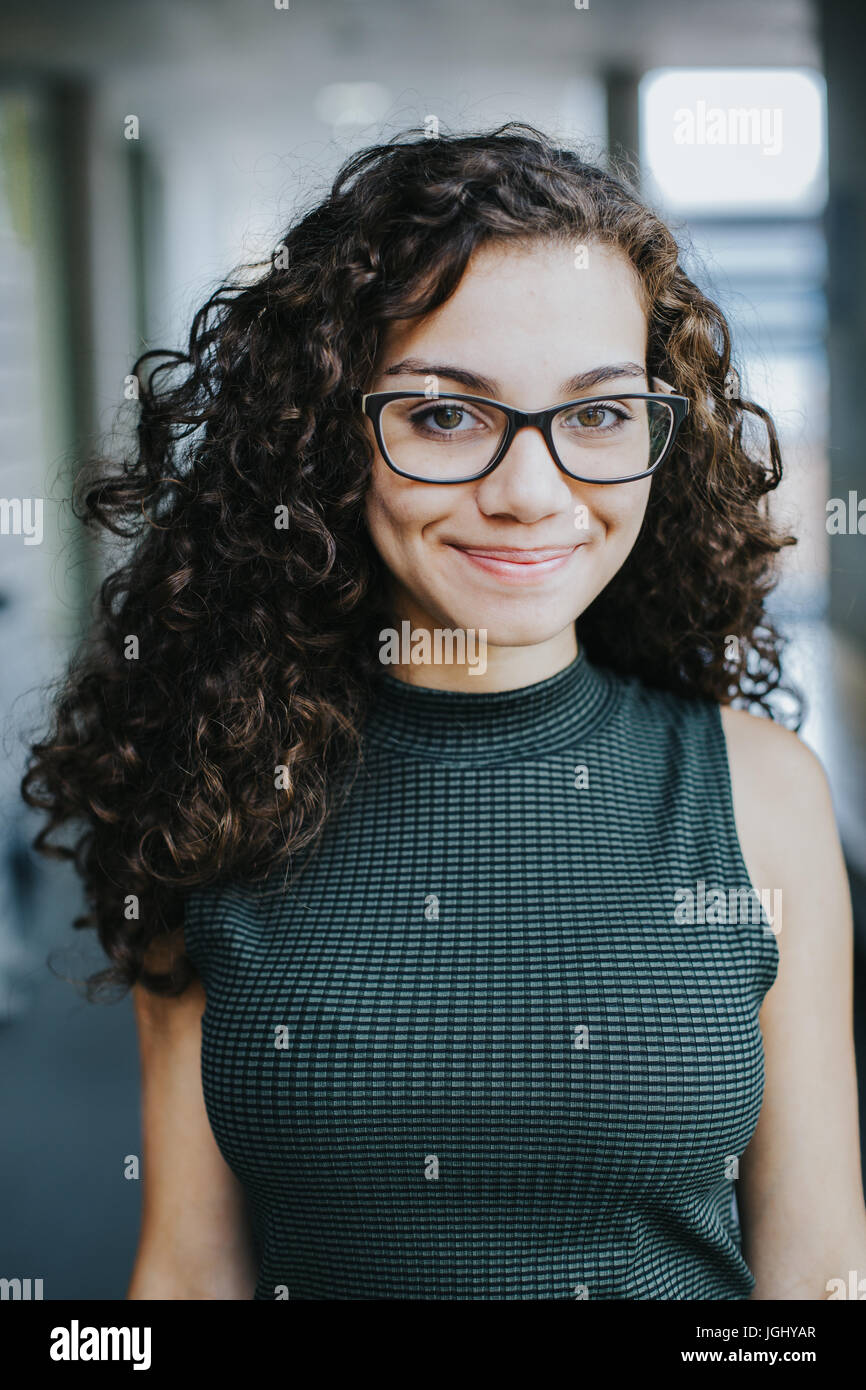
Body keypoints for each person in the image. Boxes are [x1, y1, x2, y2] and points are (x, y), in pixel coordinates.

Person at [22, 123, 866, 1300]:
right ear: (330, 436)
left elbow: (819, 1274)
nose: (529, 492)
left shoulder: (760, 793)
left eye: (598, 414)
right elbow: (188, 1269)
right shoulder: (218, 781)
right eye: (442, 415)